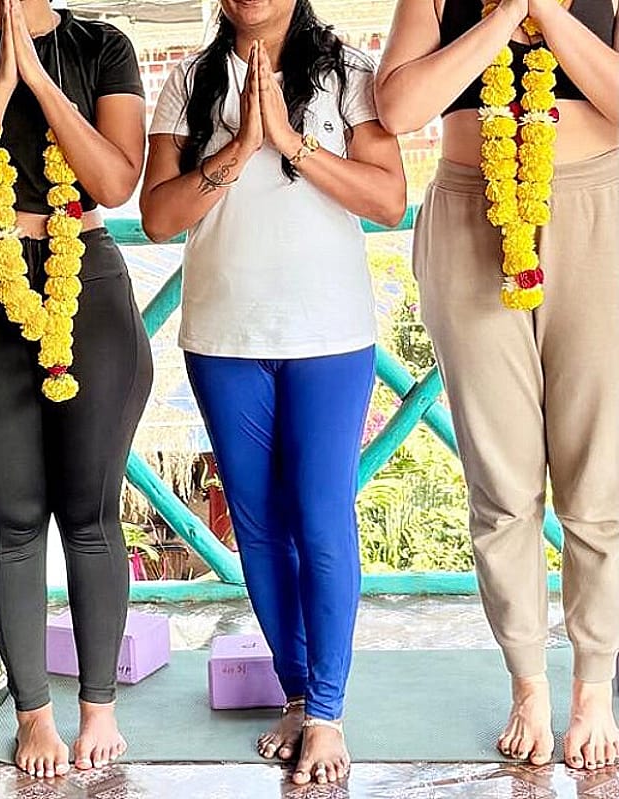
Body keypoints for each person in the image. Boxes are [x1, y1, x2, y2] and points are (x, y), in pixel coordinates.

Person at [141, 0, 405, 785]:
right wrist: (241, 147)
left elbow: (388, 199)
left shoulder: (348, 72)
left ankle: (327, 710)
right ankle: (296, 695)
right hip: (223, 339)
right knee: (258, 528)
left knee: (322, 519)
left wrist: (291, 143)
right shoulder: (187, 80)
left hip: (329, 336)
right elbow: (158, 216)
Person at [0, 0, 152, 779]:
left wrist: (41, 83)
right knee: (13, 521)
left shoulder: (102, 45)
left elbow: (114, 179)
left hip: (89, 285)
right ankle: (33, 712)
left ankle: (99, 705)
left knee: (90, 511)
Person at [376, 0, 619, 772]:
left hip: (595, 207)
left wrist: (547, 10)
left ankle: (592, 684)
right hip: (468, 207)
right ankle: (527, 682)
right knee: (502, 479)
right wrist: (504, 12)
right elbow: (399, 106)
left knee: (599, 474)